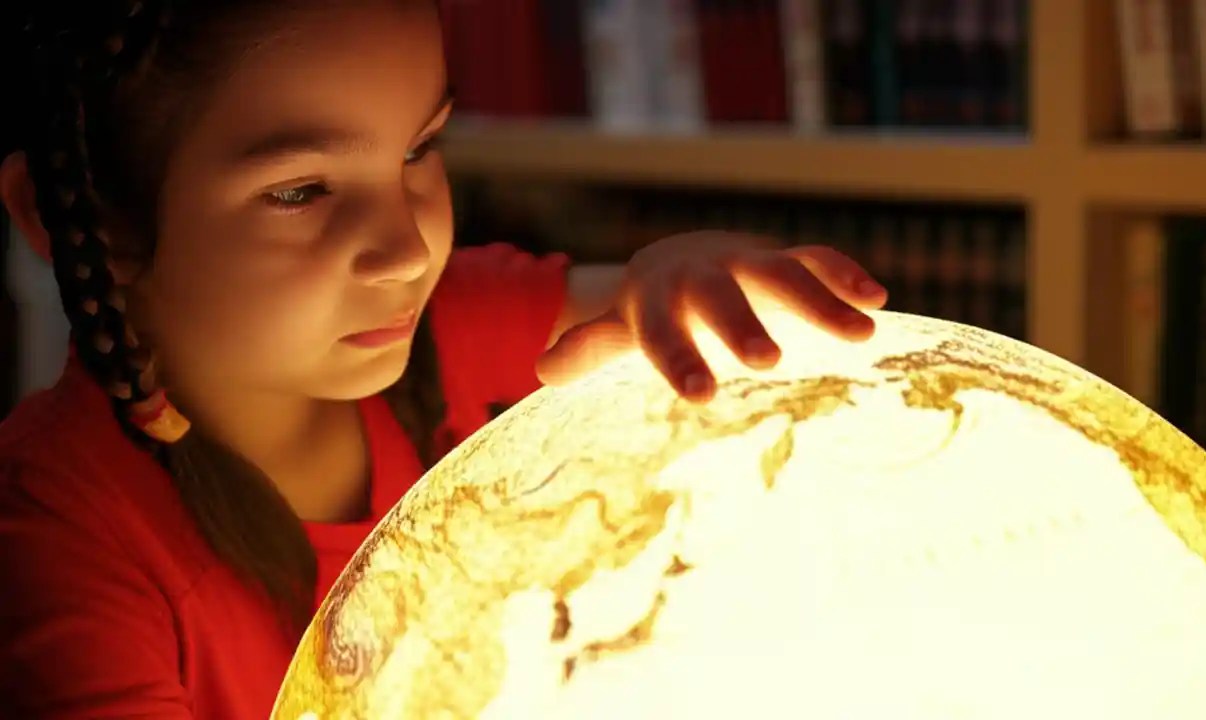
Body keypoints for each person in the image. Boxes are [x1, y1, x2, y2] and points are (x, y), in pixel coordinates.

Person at [0, 1, 887, 717]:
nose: (406, 251)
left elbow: (637, 306)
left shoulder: (444, 332)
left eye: (421, 148)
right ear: (72, 215)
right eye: (300, 191)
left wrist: (685, 267)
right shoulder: (58, 544)